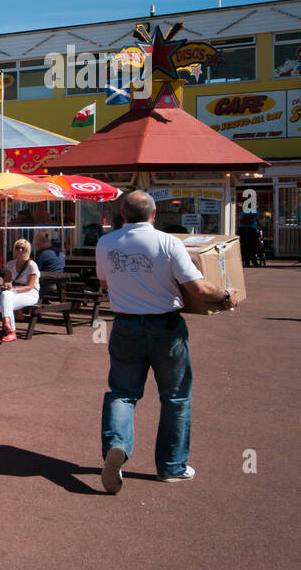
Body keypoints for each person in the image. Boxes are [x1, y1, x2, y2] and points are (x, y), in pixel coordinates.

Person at [95, 190, 238, 495]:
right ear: (153, 214)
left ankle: (116, 446)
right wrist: (225, 296)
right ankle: (171, 467)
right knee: (175, 397)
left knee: (122, 393)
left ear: (123, 215)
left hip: (125, 325)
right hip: (166, 326)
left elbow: (105, 283)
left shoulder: (105, 243)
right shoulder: (168, 242)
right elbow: (198, 289)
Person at [0, 238, 39, 343]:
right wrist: (6, 285)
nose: (20, 251)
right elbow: (7, 281)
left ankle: (9, 328)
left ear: (27, 250)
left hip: (30, 292)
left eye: (23, 248)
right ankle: (9, 327)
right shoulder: (10, 264)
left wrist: (13, 290)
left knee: (6, 299)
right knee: (5, 295)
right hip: (14, 290)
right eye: (17, 248)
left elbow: (30, 287)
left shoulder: (32, 265)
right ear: (14, 249)